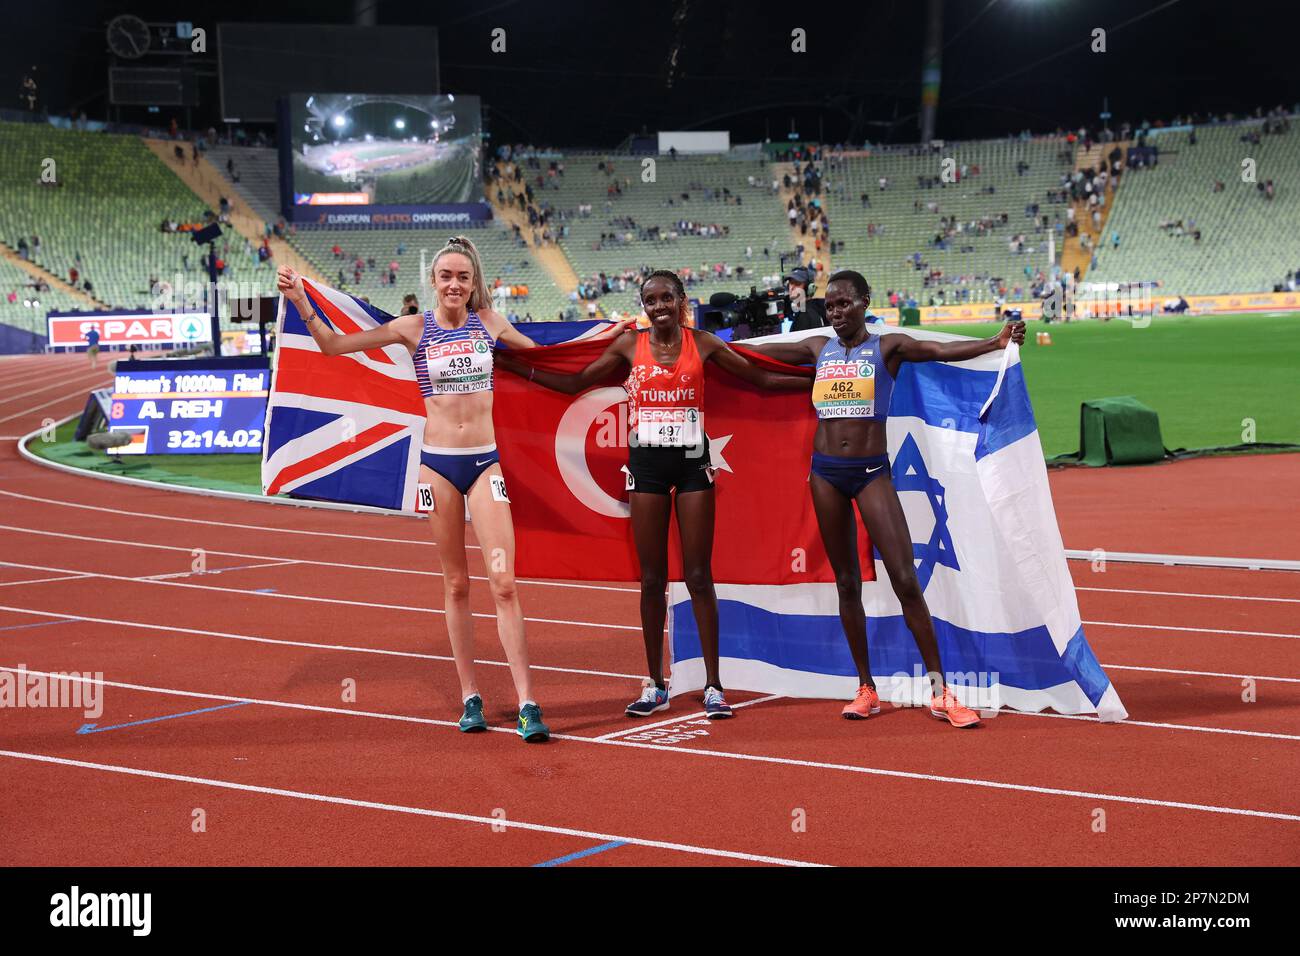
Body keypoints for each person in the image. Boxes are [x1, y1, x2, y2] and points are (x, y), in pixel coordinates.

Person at [275, 238, 589, 743]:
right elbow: (333, 347)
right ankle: (471, 697)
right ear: (434, 280)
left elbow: (553, 358)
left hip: (487, 464)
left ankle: (528, 702)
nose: (454, 285)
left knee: (504, 583)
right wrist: (300, 302)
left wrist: (616, 338)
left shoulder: (490, 323)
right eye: (446, 276)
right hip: (437, 469)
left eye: (462, 277)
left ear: (472, 283)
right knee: (456, 584)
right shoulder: (411, 328)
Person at [497, 271, 808, 719]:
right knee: (651, 579)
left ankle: (714, 686)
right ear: (643, 304)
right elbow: (575, 383)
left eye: (666, 298)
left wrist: (815, 383)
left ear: (681, 300)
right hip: (646, 468)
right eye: (650, 299)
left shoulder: (702, 344)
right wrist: (510, 365)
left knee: (699, 576)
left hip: (693, 465)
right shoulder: (629, 345)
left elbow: (759, 380)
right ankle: (655, 683)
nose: (659, 306)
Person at [743, 270, 1026, 728]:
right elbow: (756, 353)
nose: (835, 313)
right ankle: (865, 688)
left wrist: (993, 343)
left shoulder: (888, 347)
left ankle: (940, 691)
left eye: (843, 304)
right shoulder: (818, 348)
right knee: (846, 582)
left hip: (872, 472)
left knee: (904, 579)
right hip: (825, 475)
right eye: (829, 306)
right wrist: (701, 344)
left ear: (864, 303)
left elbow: (939, 351)